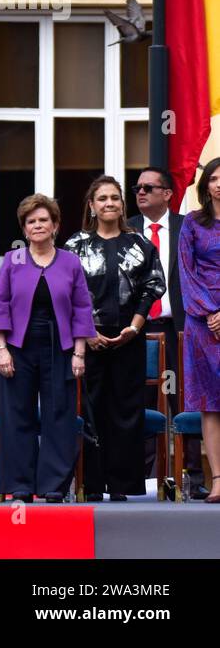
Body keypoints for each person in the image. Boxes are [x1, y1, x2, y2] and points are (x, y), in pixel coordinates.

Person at [0, 194, 95, 503]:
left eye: (44, 219)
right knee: (17, 413)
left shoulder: (70, 261)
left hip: (60, 345)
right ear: (24, 228)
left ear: (55, 225)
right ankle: (20, 484)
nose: (38, 225)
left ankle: (53, 485)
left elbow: (81, 309)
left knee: (60, 413)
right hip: (19, 345)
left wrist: (79, 353)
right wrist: (1, 350)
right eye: (31, 221)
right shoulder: (13, 260)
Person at [64, 175, 165, 501]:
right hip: (87, 341)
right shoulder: (75, 246)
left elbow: (152, 288)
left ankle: (122, 486)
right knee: (91, 411)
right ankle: (91, 484)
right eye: (102, 198)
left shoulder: (140, 245)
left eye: (115, 198)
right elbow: (64, 294)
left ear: (122, 205)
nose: (109, 203)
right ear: (92, 206)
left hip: (129, 337)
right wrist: (87, 332)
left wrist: (134, 327)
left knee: (125, 412)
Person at [129, 167, 206, 496]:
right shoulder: (128, 228)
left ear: (168, 194)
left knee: (185, 403)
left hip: (180, 330)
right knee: (140, 404)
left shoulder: (186, 226)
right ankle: (148, 480)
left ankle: (194, 478)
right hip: (137, 331)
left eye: (148, 187)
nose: (140, 192)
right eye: (137, 188)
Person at [175, 156, 220, 503]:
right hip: (202, 323)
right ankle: (218, 479)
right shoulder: (192, 223)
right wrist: (211, 312)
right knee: (211, 404)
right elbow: (186, 273)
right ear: (205, 185)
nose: (219, 183)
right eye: (214, 178)